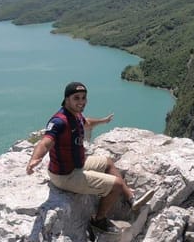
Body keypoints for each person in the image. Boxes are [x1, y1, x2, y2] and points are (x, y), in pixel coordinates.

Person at [26, 81, 153, 232]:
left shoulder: (75, 115)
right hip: (65, 176)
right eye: (76, 98)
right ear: (67, 99)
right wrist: (34, 159)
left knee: (108, 162)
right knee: (117, 184)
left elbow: (86, 122)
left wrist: (103, 121)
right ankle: (98, 220)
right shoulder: (59, 121)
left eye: (83, 98)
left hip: (77, 164)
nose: (81, 102)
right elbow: (45, 142)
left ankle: (131, 199)